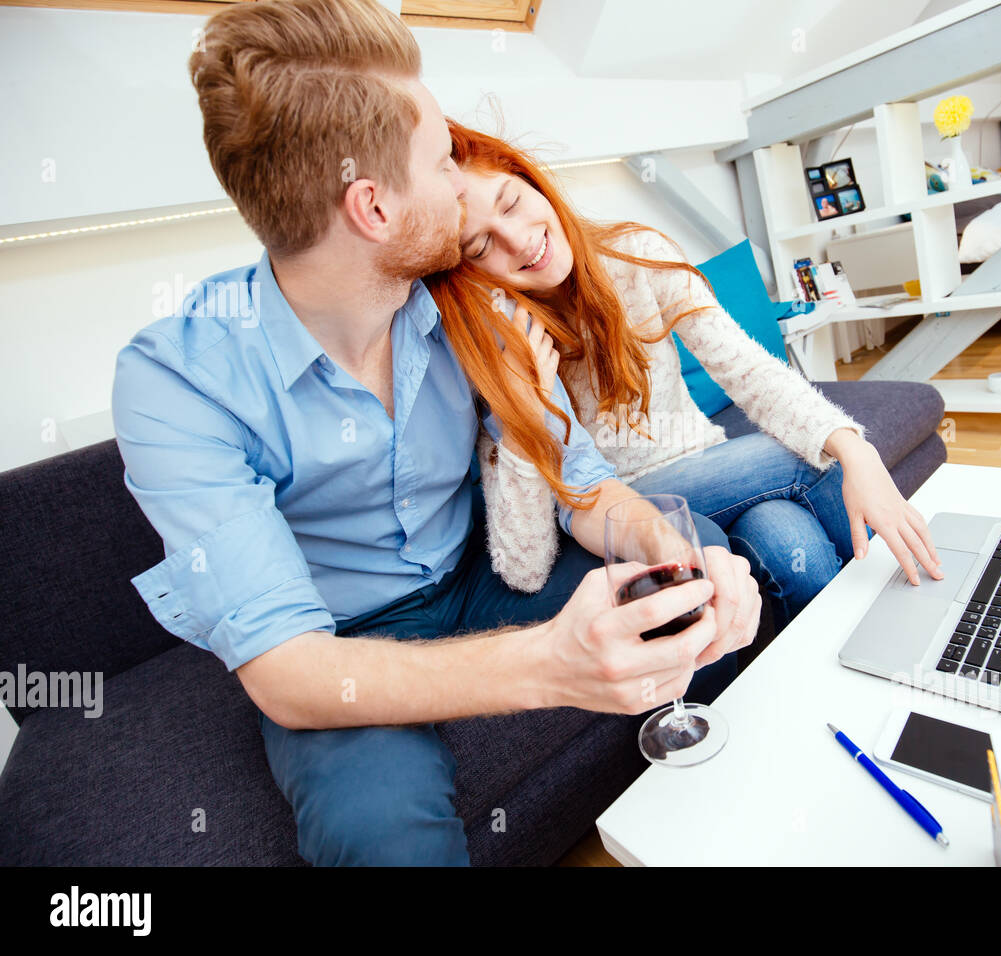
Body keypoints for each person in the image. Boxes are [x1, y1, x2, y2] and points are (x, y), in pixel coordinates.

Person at [110, 0, 760, 867]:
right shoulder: (177, 380)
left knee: (686, 564)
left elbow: (581, 481)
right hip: (339, 640)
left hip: (476, 574)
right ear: (373, 208)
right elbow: (286, 670)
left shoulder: (462, 301)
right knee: (378, 835)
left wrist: (660, 541)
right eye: (442, 160)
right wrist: (551, 664)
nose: (464, 182)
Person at [426, 123, 943, 630]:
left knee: (789, 544)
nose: (517, 241)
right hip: (622, 508)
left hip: (710, 462)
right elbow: (524, 566)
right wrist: (525, 409)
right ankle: (915, 619)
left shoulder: (636, 256)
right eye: (480, 247)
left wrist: (854, 448)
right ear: (469, 272)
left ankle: (868, 659)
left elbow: (747, 368)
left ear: (532, 181)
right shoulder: (498, 345)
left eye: (511, 203)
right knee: (804, 457)